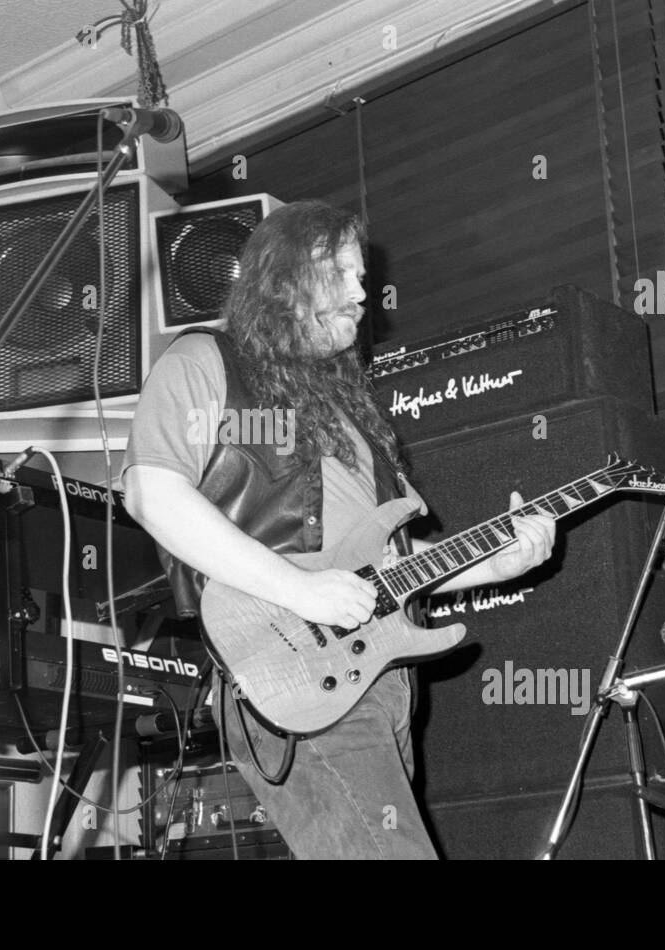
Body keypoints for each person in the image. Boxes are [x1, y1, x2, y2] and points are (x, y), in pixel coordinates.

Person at [122, 201, 556, 859]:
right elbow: (151, 491)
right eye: (344, 275)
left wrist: (498, 564)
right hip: (293, 665)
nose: (362, 294)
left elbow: (402, 558)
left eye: (361, 276)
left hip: (378, 682)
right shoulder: (207, 360)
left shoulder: (352, 412)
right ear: (285, 278)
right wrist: (300, 591)